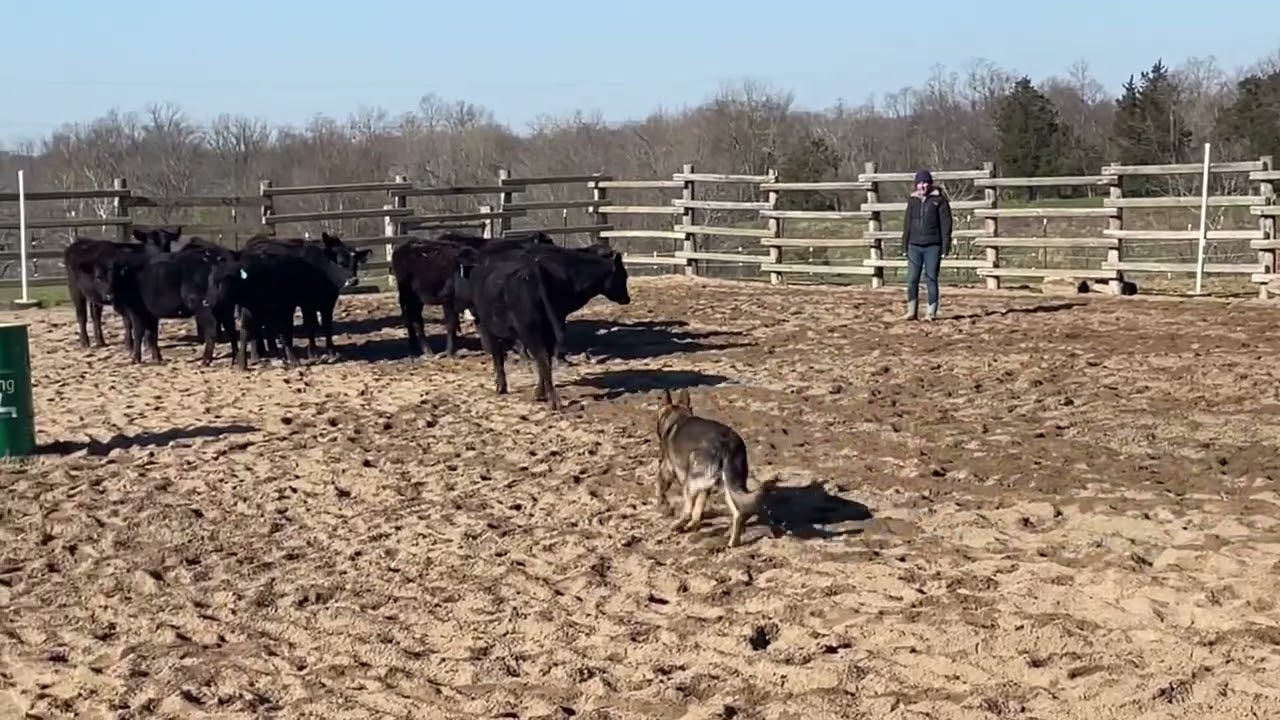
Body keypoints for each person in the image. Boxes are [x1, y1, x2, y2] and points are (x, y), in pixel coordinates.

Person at [899, 169, 953, 321]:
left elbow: (946, 224)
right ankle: (911, 310)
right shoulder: (913, 201)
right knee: (911, 279)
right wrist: (904, 245)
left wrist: (945, 245)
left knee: (931, 278)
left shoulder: (939, 201)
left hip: (933, 246)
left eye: (925, 183)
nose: (922, 186)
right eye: (920, 183)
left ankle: (931, 312)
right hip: (914, 245)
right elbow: (907, 224)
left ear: (930, 184)